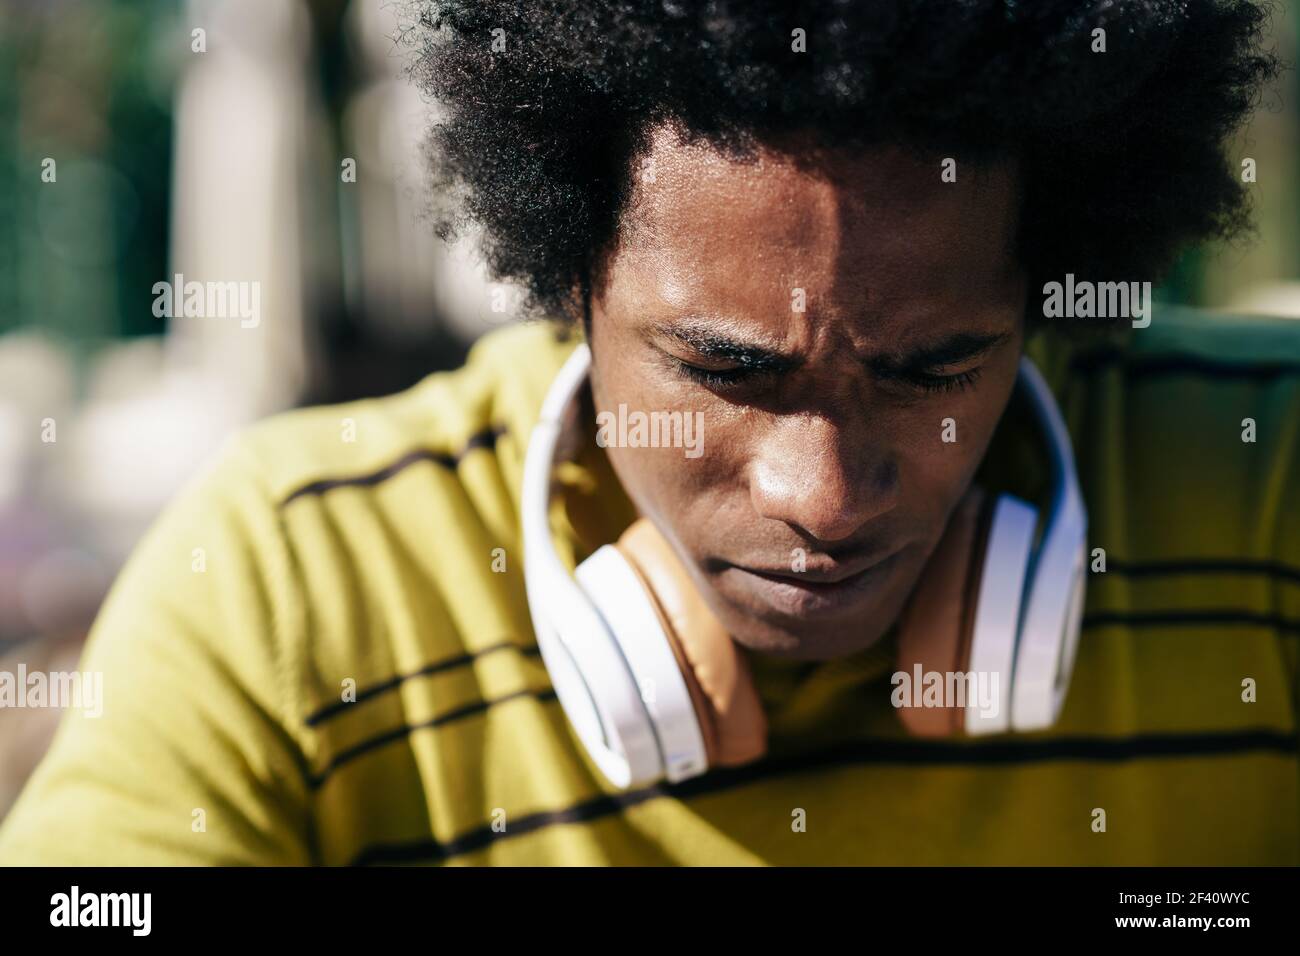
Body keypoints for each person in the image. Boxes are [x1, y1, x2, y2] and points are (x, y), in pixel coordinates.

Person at [1, 0, 1296, 865]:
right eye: (724, 369)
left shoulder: (1269, 477)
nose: (823, 496)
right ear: (570, 284)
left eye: (933, 367)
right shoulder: (294, 574)